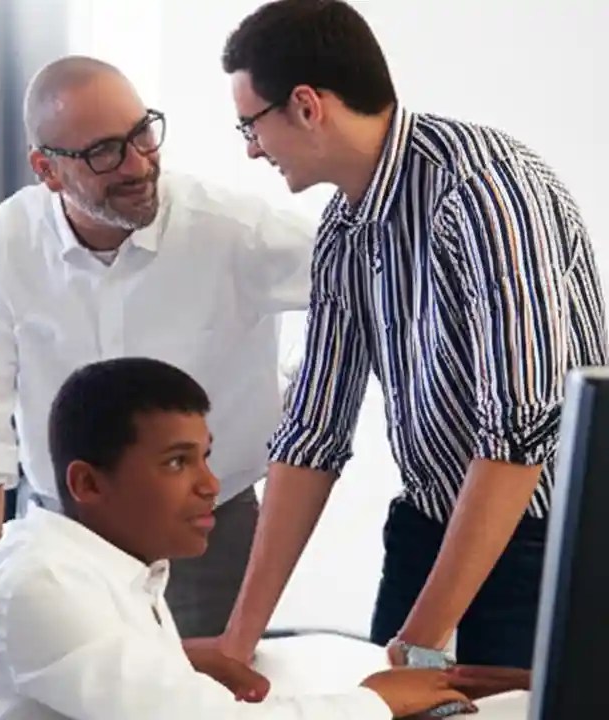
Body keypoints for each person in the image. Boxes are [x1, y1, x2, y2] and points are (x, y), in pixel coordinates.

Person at [212, 0, 608, 671]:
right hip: (427, 521)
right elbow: (313, 431)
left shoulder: (487, 191)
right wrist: (238, 640)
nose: (251, 147)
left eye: (251, 124)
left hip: (543, 535)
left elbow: (520, 433)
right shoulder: (342, 230)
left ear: (307, 105)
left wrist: (422, 644)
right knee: (379, 702)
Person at [0, 55, 317, 639]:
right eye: (104, 152)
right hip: (61, 535)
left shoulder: (234, 232)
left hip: (206, 532)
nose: (138, 163)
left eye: (142, 133)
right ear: (46, 169)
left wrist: (300, 396)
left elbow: (367, 284)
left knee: (208, 701)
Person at [0, 356, 475, 719]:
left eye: (205, 457)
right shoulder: (43, 583)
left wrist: (172, 660)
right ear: (87, 484)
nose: (211, 484)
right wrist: (376, 701)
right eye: (178, 462)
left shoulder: (100, 566)